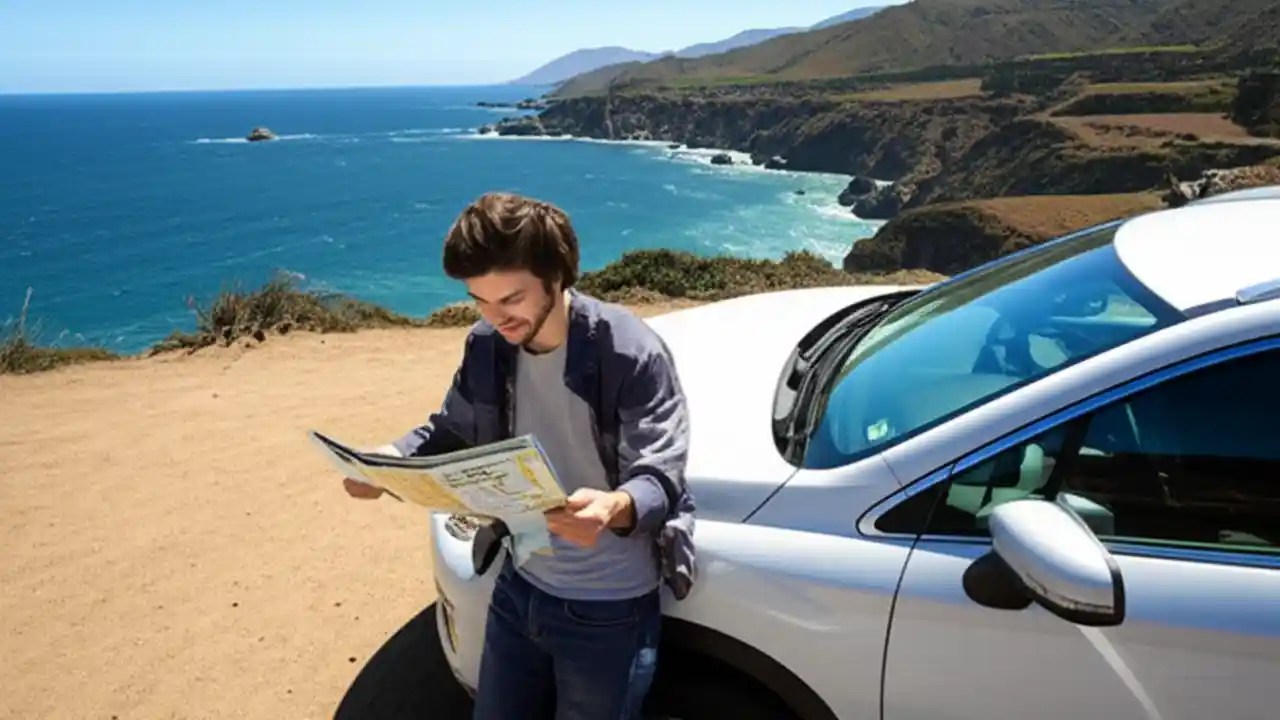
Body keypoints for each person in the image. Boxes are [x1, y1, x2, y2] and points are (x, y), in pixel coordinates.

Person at [343, 191, 696, 720]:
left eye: (511, 299)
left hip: (609, 608)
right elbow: (452, 430)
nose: (495, 318)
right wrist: (388, 458)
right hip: (520, 582)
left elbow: (661, 469)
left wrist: (613, 508)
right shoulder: (486, 345)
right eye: (479, 301)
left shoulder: (627, 349)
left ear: (557, 277)